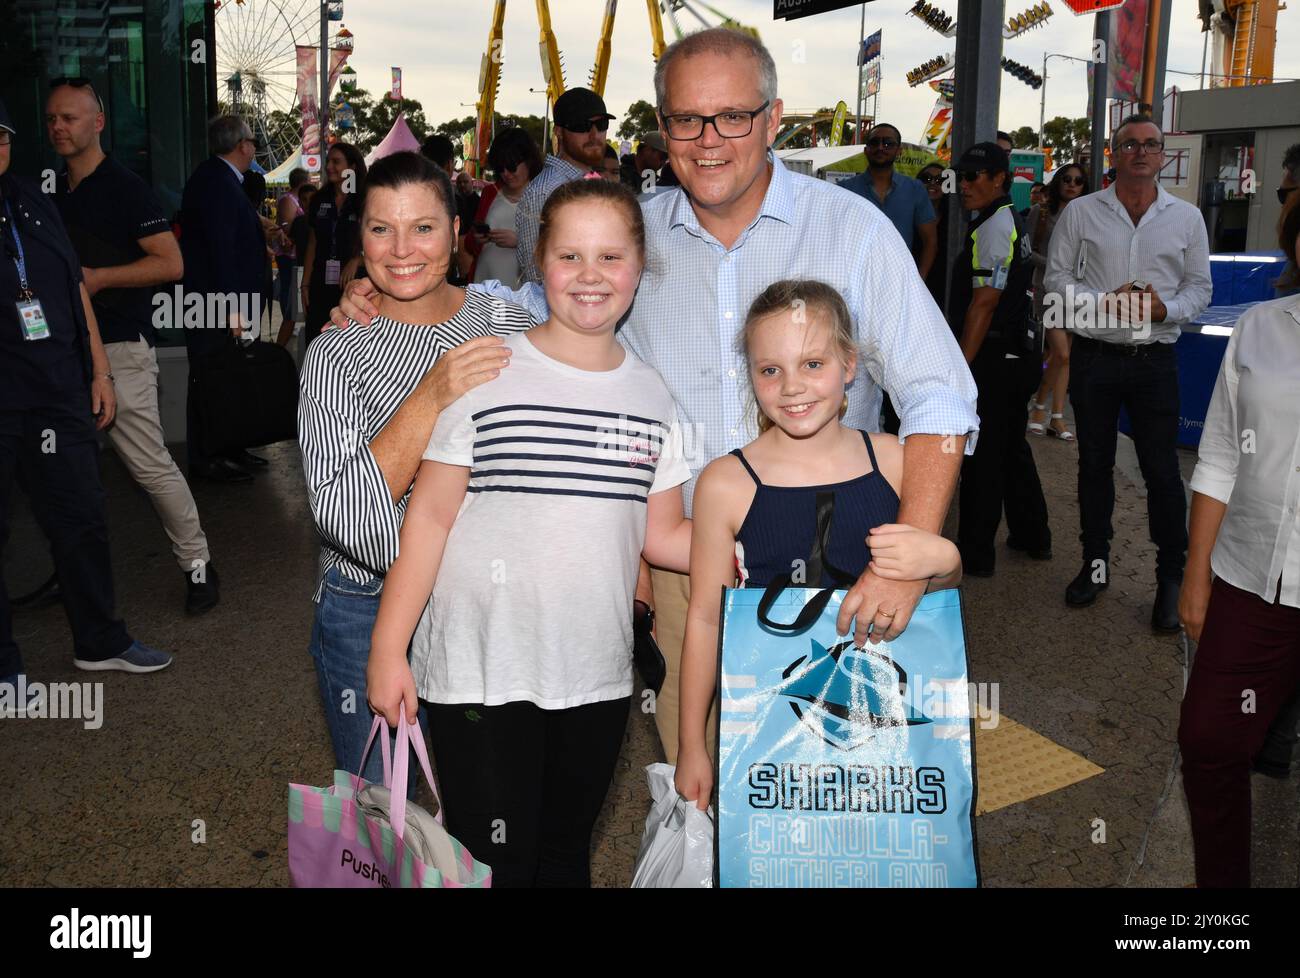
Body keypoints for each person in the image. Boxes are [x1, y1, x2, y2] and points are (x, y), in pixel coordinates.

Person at [337, 27, 979, 764]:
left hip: (843, 558)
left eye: (733, 116)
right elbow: (533, 309)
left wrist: (902, 563)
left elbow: (940, 398)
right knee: (705, 790)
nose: (708, 140)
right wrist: (386, 290)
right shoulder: (636, 245)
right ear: (662, 125)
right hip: (688, 570)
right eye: (685, 119)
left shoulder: (853, 233)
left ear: (772, 120)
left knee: (855, 783)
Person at [366, 177, 692, 887]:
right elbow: (428, 517)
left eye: (611, 257)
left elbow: (663, 534)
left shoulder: (652, 394)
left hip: (595, 674)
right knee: (495, 863)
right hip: (479, 672)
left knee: (562, 856)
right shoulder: (489, 371)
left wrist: (759, 536)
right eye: (570, 255)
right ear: (539, 261)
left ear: (641, 266)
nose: (590, 276)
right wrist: (389, 650)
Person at [674, 280, 961, 808]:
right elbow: (706, 619)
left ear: (849, 365)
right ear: (752, 376)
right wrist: (693, 743)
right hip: (771, 725)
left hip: (890, 721)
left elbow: (934, 586)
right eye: (770, 370)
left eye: (812, 364)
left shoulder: (894, 460)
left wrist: (947, 559)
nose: (791, 387)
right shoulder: (725, 483)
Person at [298, 150, 535, 786]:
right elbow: (352, 524)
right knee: (386, 812)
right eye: (381, 228)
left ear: (458, 233)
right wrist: (433, 394)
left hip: (491, 602)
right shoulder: (336, 351)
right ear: (361, 239)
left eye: (424, 227)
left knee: (487, 803)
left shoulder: (510, 322)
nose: (402, 248)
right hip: (367, 607)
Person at [0, 95, 174, 682]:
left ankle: (99, 639)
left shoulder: (32, 199)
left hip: (58, 393)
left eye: (2, 135)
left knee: (82, 517)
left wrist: (99, 370)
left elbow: (74, 286)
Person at [45, 79, 219, 615]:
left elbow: (171, 264)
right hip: (61, 354)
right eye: (51, 118)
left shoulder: (125, 188)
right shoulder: (50, 189)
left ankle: (198, 564)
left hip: (119, 349)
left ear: (98, 123)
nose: (58, 127)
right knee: (61, 470)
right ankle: (72, 573)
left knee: (147, 465)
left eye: (70, 118)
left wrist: (100, 279)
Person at [1045, 115, 1212, 629]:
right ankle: (1095, 567)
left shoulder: (1185, 218)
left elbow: (1200, 290)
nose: (1140, 152)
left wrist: (1165, 311)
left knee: (1162, 473)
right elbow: (1055, 281)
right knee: (1093, 467)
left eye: (1151, 145)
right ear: (1113, 154)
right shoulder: (1080, 213)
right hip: (1096, 358)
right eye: (1129, 144)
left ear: (1163, 155)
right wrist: (1104, 303)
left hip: (1155, 362)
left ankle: (1171, 578)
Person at [1176, 206, 1300, 886]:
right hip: (1253, 580)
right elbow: (1220, 455)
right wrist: (1197, 575)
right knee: (1210, 741)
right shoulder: (1260, 329)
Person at [950, 143, 1051, 576]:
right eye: (962, 176)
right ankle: (1034, 536)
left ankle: (975, 556)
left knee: (984, 459)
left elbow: (983, 305)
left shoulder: (995, 225)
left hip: (997, 357)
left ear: (999, 179)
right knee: (1010, 450)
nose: (965, 185)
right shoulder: (1005, 218)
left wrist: (961, 369)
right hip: (1016, 354)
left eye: (976, 176)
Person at [178, 115, 271, 483]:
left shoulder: (222, 181)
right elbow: (220, 252)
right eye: (251, 141)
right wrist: (233, 309)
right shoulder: (215, 182)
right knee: (210, 378)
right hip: (216, 307)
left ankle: (231, 448)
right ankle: (208, 457)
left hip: (223, 304)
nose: (253, 147)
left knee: (229, 378)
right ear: (240, 145)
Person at [515, 86, 613, 283]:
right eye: (581, 126)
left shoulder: (592, 183)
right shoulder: (546, 190)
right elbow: (535, 276)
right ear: (559, 132)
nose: (594, 135)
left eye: (601, 124)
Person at [1026, 163, 1088, 441]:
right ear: (1057, 182)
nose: (1072, 184)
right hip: (1047, 288)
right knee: (1060, 354)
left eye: (1078, 180)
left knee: (1064, 357)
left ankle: (1057, 417)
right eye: (1066, 179)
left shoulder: (1089, 217)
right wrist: (1055, 266)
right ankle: (1039, 407)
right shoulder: (1040, 213)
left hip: (1079, 292)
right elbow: (1025, 250)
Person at [841, 124, 937, 280]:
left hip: (900, 280)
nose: (880, 147)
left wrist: (920, 278)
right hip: (855, 278)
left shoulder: (915, 189)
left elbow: (930, 241)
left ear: (899, 151)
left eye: (888, 143)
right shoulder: (846, 190)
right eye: (874, 142)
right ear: (866, 150)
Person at [300, 141, 366, 347]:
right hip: (321, 281)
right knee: (317, 335)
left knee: (350, 339)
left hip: (353, 283)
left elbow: (379, 239)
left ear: (353, 167)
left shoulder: (365, 199)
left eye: (336, 162)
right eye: (328, 161)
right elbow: (313, 243)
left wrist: (357, 259)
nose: (329, 167)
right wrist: (305, 282)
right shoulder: (319, 199)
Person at [466, 126, 540, 287]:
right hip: (484, 285)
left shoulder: (543, 195)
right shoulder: (489, 192)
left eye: (512, 166)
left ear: (529, 160)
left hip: (523, 291)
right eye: (500, 168)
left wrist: (520, 242)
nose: (506, 173)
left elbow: (558, 246)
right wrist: (477, 239)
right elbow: (470, 244)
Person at [274, 167, 310, 346]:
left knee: (294, 297)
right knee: (290, 296)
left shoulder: (295, 200)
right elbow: (287, 229)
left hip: (299, 256)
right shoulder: (288, 200)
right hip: (290, 256)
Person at [916, 161, 950, 313]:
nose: (933, 183)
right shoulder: (909, 215)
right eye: (926, 178)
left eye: (940, 180)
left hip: (945, 289)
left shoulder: (956, 221)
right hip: (915, 285)